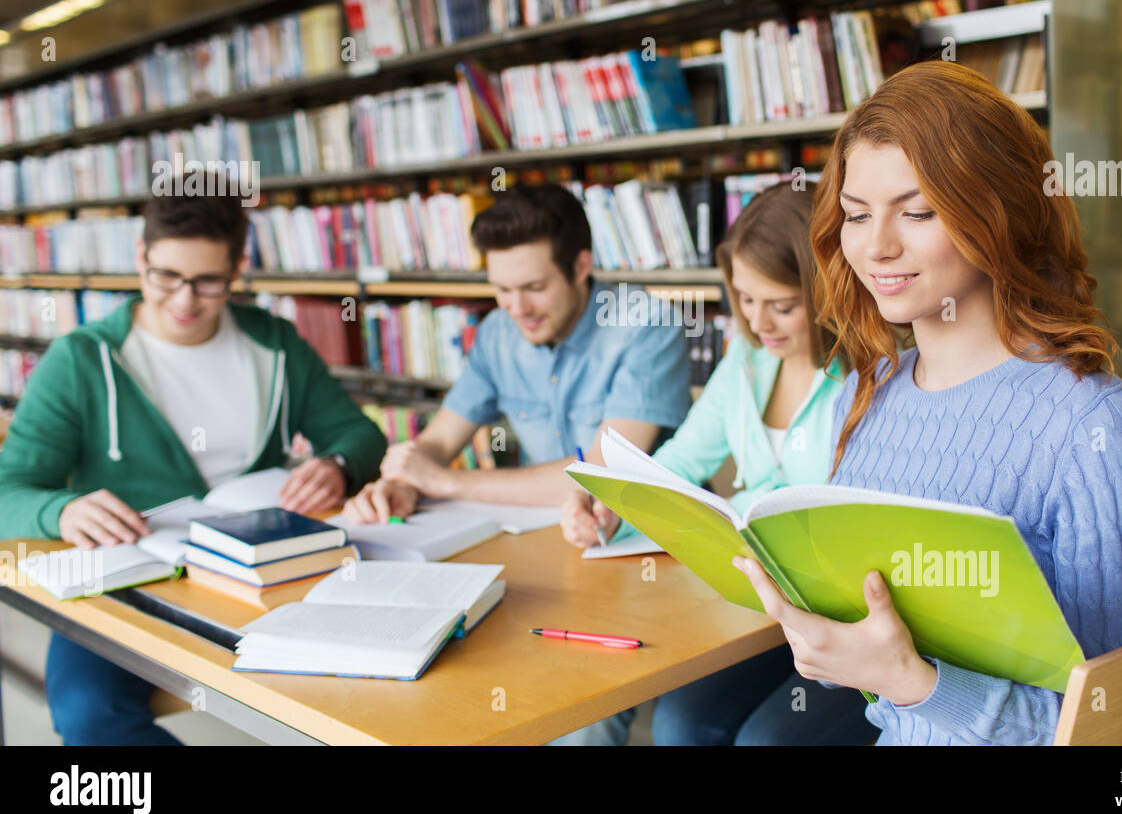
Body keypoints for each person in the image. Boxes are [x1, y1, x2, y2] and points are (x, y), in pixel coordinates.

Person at [731, 60, 1122, 745]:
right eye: (855, 215)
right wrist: (824, 640)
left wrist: (918, 682)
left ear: (1000, 210)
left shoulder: (1094, 426)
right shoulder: (867, 391)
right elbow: (864, 655)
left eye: (918, 211)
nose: (876, 246)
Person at [0, 189, 388, 745]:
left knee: (372, 689)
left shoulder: (273, 343)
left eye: (208, 282)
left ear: (237, 269)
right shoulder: (81, 360)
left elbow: (360, 436)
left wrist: (340, 465)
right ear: (140, 257)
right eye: (165, 276)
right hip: (126, 584)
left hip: (267, 577)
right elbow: (7, 489)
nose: (184, 300)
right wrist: (60, 512)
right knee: (89, 715)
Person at [341, 183, 692, 746]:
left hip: (634, 566)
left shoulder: (646, 326)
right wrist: (402, 483)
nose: (517, 307)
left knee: (576, 725)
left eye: (533, 287)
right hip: (536, 558)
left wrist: (446, 481)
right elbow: (439, 440)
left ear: (582, 266)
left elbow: (604, 473)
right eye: (502, 289)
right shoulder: (499, 334)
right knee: (435, 693)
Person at [561, 183, 878, 745]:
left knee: (765, 742)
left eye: (781, 305)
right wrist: (613, 505)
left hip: (846, 625)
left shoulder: (872, 374)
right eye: (746, 301)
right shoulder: (746, 361)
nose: (760, 324)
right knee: (678, 724)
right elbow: (682, 459)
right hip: (760, 613)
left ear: (825, 286)